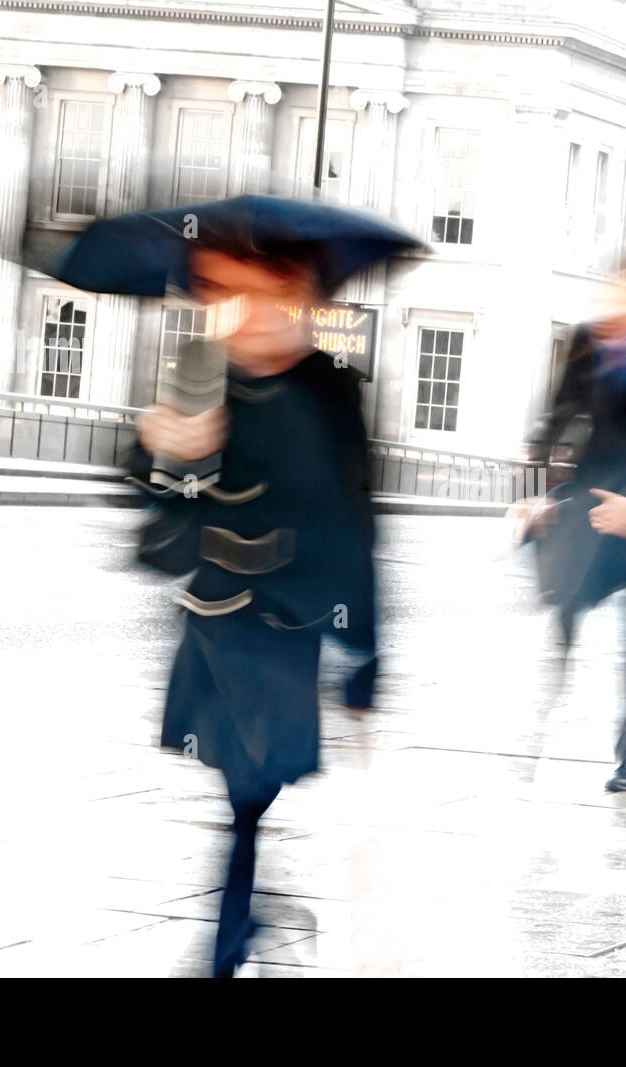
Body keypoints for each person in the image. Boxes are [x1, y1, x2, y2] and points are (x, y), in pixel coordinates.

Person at [132, 247, 376, 977]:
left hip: (289, 618)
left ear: (296, 292)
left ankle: (241, 918)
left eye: (263, 292)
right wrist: (166, 457)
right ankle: (233, 928)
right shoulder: (202, 369)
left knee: (255, 781)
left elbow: (356, 518)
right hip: (212, 611)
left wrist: (363, 648)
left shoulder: (332, 388)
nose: (247, 310)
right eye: (228, 292)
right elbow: (159, 510)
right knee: (240, 779)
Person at [517, 241, 626, 792]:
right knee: (566, 612)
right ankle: (541, 732)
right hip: (586, 511)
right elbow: (550, 421)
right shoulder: (585, 343)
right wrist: (535, 494)